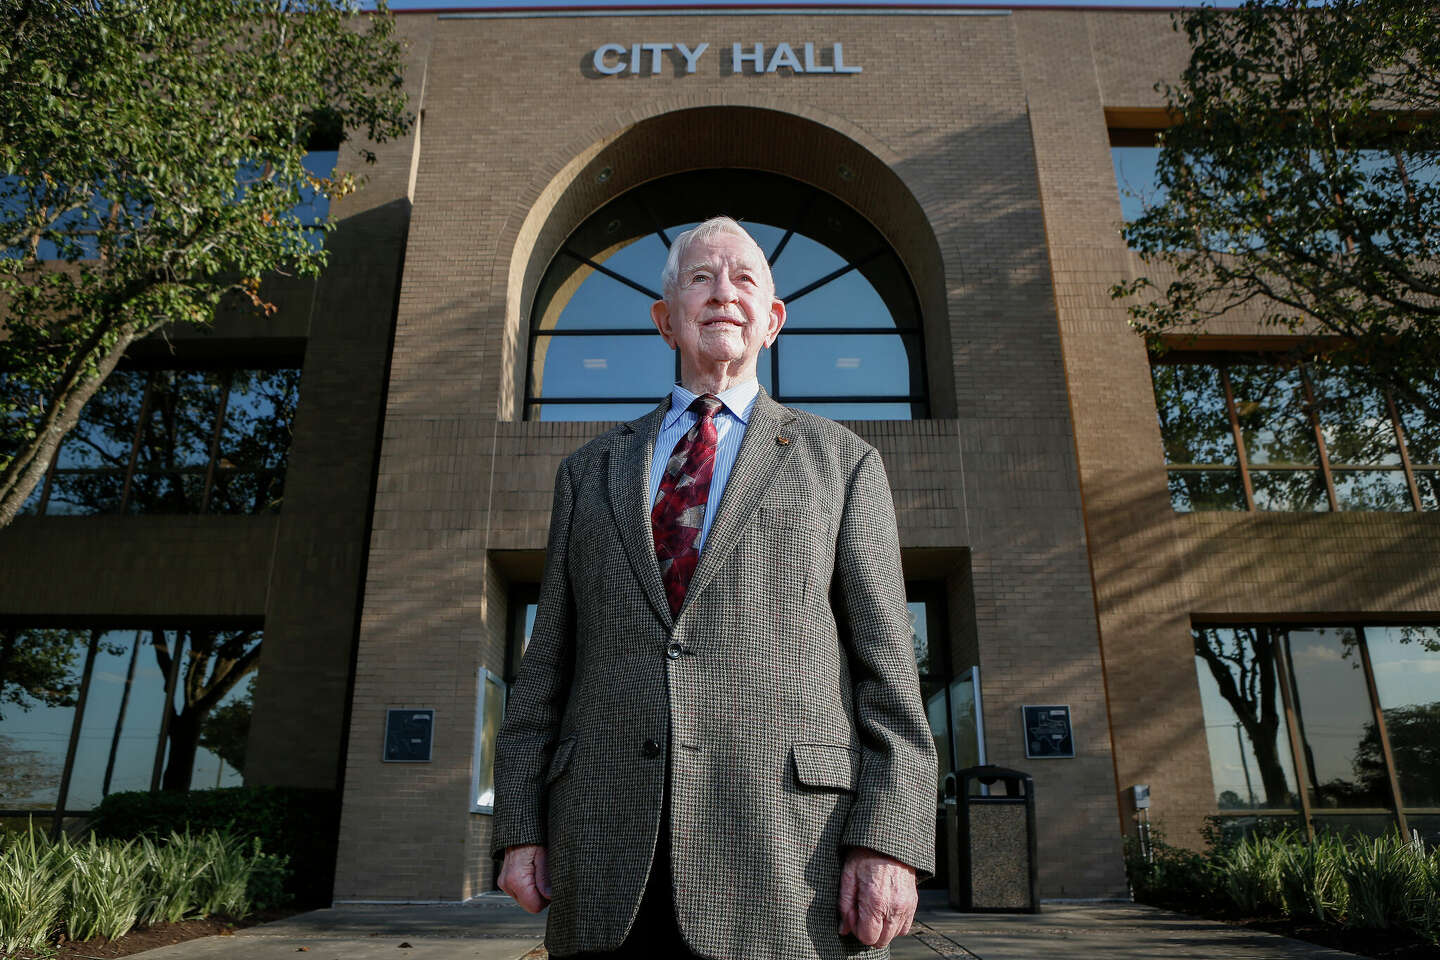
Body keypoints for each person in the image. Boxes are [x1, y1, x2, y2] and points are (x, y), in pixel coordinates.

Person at [492, 216, 936, 960]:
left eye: (744, 279)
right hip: (604, 851)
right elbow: (546, 668)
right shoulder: (588, 472)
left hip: (789, 857)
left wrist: (888, 839)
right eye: (700, 278)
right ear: (665, 319)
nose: (723, 292)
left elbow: (888, 671)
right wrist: (519, 825)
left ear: (774, 319)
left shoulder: (844, 463)